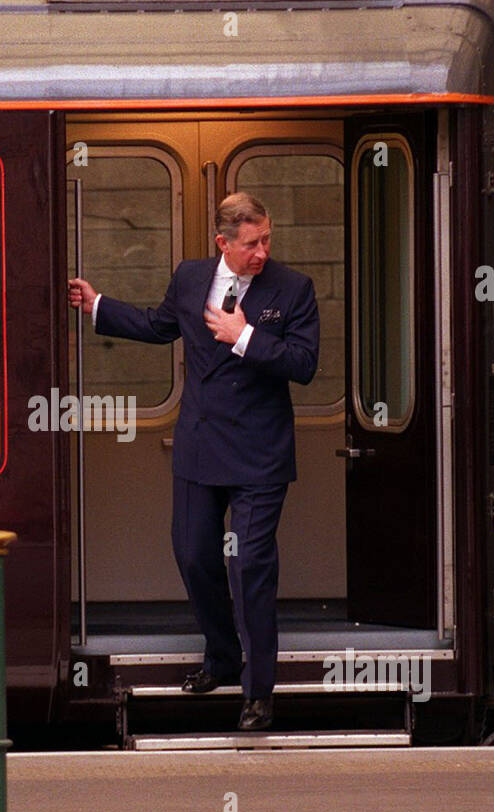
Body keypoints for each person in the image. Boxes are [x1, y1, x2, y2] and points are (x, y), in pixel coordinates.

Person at [68, 192, 319, 730]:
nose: (261, 252)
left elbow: (304, 364)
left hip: (260, 455)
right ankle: (223, 657)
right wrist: (98, 306)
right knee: (194, 554)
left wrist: (245, 336)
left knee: (248, 565)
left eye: (267, 239)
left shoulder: (293, 287)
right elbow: (161, 326)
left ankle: (258, 691)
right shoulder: (190, 277)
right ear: (222, 242)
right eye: (251, 243)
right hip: (200, 447)